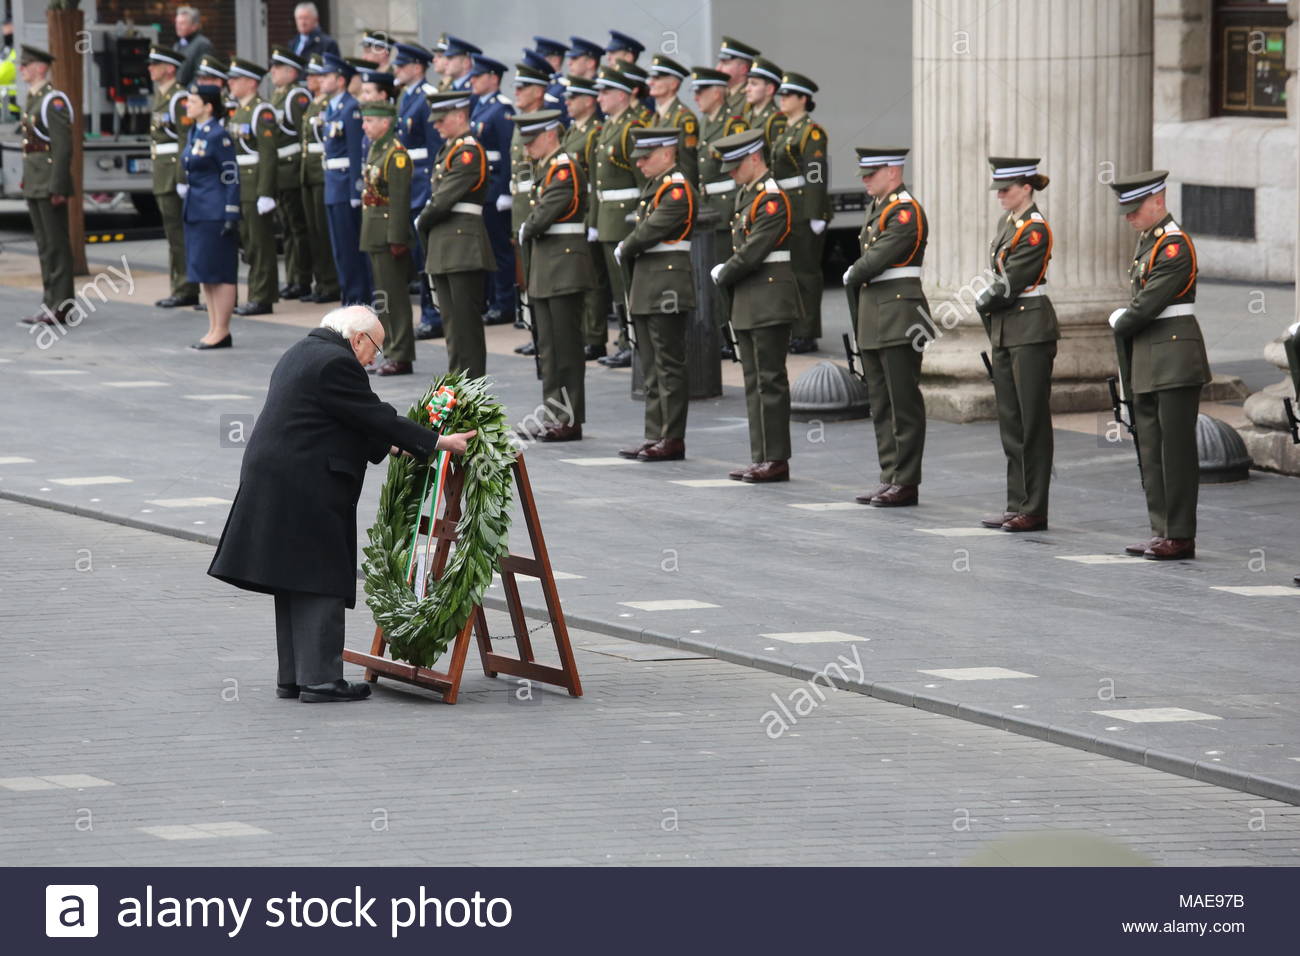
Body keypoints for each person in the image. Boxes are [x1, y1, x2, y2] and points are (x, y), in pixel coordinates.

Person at [208, 306, 476, 704]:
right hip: (305, 480)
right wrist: (439, 443)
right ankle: (320, 679)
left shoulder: (303, 351)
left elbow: (342, 417)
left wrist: (389, 444)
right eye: (376, 350)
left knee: (292, 575)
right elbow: (371, 413)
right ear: (358, 339)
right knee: (320, 572)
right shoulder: (338, 362)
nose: (373, 361)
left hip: (280, 475)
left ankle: (295, 677)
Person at [1108, 170, 1211, 562]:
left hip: (1174, 354)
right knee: (1151, 445)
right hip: (1149, 354)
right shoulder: (1148, 243)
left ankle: (1180, 534)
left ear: (1159, 200)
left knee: (1176, 449)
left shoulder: (1173, 246)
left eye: (1136, 210)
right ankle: (1161, 529)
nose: (1130, 217)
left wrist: (1122, 319)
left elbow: (1150, 303)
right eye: (1127, 211)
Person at [709, 128, 800, 484]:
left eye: (736, 165)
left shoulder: (771, 198)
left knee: (770, 380)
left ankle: (775, 458)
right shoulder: (748, 194)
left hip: (769, 298)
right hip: (749, 299)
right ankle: (760, 455)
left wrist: (724, 272)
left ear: (754, 158)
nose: (731, 173)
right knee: (753, 381)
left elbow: (754, 251)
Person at [842, 147, 931, 508]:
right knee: (880, 401)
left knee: (902, 400)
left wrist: (854, 271)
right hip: (877, 314)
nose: (865, 180)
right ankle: (889, 474)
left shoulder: (905, 211)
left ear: (893, 173)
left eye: (871, 173)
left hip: (900, 314)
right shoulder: (879, 207)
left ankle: (906, 481)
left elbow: (878, 257)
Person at [975, 156, 1058, 533]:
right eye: (998, 190)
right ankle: (1016, 502)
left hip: (1029, 325)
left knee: (1032, 421)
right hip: (1007, 326)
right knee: (1011, 419)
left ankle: (1034, 507)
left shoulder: (1035, 229)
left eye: (1006, 190)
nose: (1000, 197)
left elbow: (1013, 281)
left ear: (1026, 188)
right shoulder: (1008, 223)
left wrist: (983, 300)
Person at [513, 110, 595, 442]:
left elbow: (543, 215)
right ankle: (553, 413)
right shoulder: (548, 168)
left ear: (550, 135)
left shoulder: (564, 169)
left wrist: (525, 227)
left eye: (532, 141)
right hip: (547, 266)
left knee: (566, 347)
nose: (528, 147)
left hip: (563, 266)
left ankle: (569, 417)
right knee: (548, 347)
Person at [617, 127, 697, 462]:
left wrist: (627, 244)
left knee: (669, 366)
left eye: (647, 156)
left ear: (667, 153)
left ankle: (672, 437)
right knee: (650, 365)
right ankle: (654, 434)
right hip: (648, 284)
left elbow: (651, 230)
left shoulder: (677, 189)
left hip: (666, 285)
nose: (640, 163)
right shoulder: (656, 186)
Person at [417, 91, 495, 379]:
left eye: (441, 120)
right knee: (453, 329)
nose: (436, 126)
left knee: (466, 330)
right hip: (446, 246)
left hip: (462, 247)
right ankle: (459, 395)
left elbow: (442, 201)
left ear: (460, 116)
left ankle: (472, 397)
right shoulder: (450, 149)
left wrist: (421, 219)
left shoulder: (468, 152)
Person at [589, 64, 646, 369]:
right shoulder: (609, 127)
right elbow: (599, 182)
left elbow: (643, 180)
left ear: (622, 95)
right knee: (615, 288)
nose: (599, 98)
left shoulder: (630, 129)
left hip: (624, 219)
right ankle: (625, 337)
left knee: (626, 287)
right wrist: (594, 222)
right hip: (607, 221)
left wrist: (640, 221)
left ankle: (631, 341)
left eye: (605, 92)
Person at [691, 66, 748, 357]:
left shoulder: (733, 124)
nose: (696, 96)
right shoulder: (704, 122)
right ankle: (719, 333)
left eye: (701, 91)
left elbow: (740, 170)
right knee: (711, 272)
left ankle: (731, 336)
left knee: (726, 274)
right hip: (709, 208)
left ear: (717, 91)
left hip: (726, 208)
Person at [16, 46, 73, 328]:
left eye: (26, 65)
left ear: (40, 68)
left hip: (49, 181)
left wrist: (59, 186)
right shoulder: (34, 98)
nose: (21, 69)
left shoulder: (53, 101)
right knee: (44, 245)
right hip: (36, 180)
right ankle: (51, 301)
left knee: (56, 245)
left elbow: (62, 148)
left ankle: (61, 305)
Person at [179, 86, 240, 350]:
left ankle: (223, 330)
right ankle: (214, 326)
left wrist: (231, 211)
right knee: (205, 272)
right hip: (196, 210)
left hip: (215, 210)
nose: (187, 105)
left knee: (221, 271)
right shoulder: (196, 131)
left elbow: (231, 174)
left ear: (208, 107)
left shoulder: (219, 135)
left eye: (193, 101)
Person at [772, 71, 829, 355]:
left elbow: (816, 173)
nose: (782, 99)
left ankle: (806, 332)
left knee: (806, 273)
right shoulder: (787, 129)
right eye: (781, 94)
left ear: (802, 99)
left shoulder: (811, 131)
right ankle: (795, 328)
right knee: (790, 272)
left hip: (804, 208)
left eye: (787, 95)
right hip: (787, 207)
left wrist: (815, 212)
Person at [359, 101, 415, 376]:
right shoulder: (377, 149)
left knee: (395, 297)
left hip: (387, 233)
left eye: (369, 120)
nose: (364, 125)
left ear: (385, 123)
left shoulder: (396, 154)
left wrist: (397, 238)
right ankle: (390, 349)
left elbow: (400, 201)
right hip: (374, 231)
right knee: (383, 298)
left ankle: (401, 353)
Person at [392, 41, 443, 340]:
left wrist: (432, 190)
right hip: (409, 185)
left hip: (423, 185)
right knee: (417, 257)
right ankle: (428, 312)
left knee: (427, 258)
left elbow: (436, 150)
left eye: (402, 65)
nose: (397, 69)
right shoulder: (407, 98)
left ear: (417, 67)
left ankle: (433, 314)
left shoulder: (427, 98)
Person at [226, 58, 280, 316]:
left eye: (235, 80)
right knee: (248, 244)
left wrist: (266, 192)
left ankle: (263, 297)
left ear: (250, 83)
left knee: (260, 245)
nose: (230, 84)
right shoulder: (239, 110)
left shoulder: (261, 111)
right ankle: (255, 294)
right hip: (241, 185)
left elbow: (268, 155)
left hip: (256, 185)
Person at [560, 74, 609, 361]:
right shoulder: (572, 132)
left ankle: (595, 337)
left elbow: (593, 180)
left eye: (573, 98)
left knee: (593, 281)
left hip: (587, 212)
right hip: (572, 214)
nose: (567, 103)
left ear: (588, 101)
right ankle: (586, 334)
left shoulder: (593, 132)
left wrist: (591, 218)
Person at [147, 45, 198, 309]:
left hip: (172, 172)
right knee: (172, 233)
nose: (150, 68)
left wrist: (181, 177)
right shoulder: (162, 96)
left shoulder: (178, 99)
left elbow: (183, 140)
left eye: (155, 64)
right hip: (162, 170)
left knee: (179, 234)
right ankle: (179, 284)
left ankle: (186, 287)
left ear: (169, 68)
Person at [319, 53, 372, 308]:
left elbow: (354, 153)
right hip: (332, 184)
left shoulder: (351, 108)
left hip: (344, 185)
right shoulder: (332, 108)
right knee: (339, 248)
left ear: (340, 80)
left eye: (327, 75)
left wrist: (355, 190)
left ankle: (357, 298)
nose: (322, 80)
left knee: (350, 248)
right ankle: (348, 295)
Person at [468, 55, 517, 326]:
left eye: (478, 75)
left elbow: (510, 154)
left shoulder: (502, 109)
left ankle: (504, 302)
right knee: (486, 249)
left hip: (496, 189)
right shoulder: (480, 107)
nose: (472, 79)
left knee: (499, 250)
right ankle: (492, 300)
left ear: (493, 78)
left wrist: (507, 191)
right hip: (482, 188)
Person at [269, 46, 313, 301]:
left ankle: (303, 278)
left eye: (277, 68)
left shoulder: (296, 97)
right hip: (281, 170)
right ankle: (294, 277)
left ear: (291, 71)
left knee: (299, 228)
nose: (272, 72)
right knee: (288, 228)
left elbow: (302, 134)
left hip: (293, 168)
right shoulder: (278, 95)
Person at [297, 53, 341, 304]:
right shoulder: (315, 103)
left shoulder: (327, 105)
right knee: (314, 231)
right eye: (314, 75)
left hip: (322, 171)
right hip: (309, 171)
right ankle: (322, 281)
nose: (313, 79)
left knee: (324, 232)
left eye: (317, 75)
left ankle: (330, 283)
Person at [646, 55, 699, 187]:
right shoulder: (656, 118)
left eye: (657, 78)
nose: (650, 82)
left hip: (675, 191)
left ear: (673, 84)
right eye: (651, 78)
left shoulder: (684, 119)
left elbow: (688, 165)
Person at [744, 57, 787, 147]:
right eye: (747, 83)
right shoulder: (747, 115)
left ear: (769, 89)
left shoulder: (776, 119)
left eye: (754, 84)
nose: (747, 89)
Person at [716, 37, 759, 119]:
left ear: (743, 69)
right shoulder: (722, 95)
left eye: (725, 63)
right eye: (719, 62)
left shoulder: (749, 98)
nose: (718, 68)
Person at [173, 6, 212, 88]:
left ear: (194, 26)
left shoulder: (203, 44)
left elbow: (201, 75)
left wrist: (187, 92)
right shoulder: (177, 45)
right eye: (177, 23)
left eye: (182, 23)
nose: (178, 26)